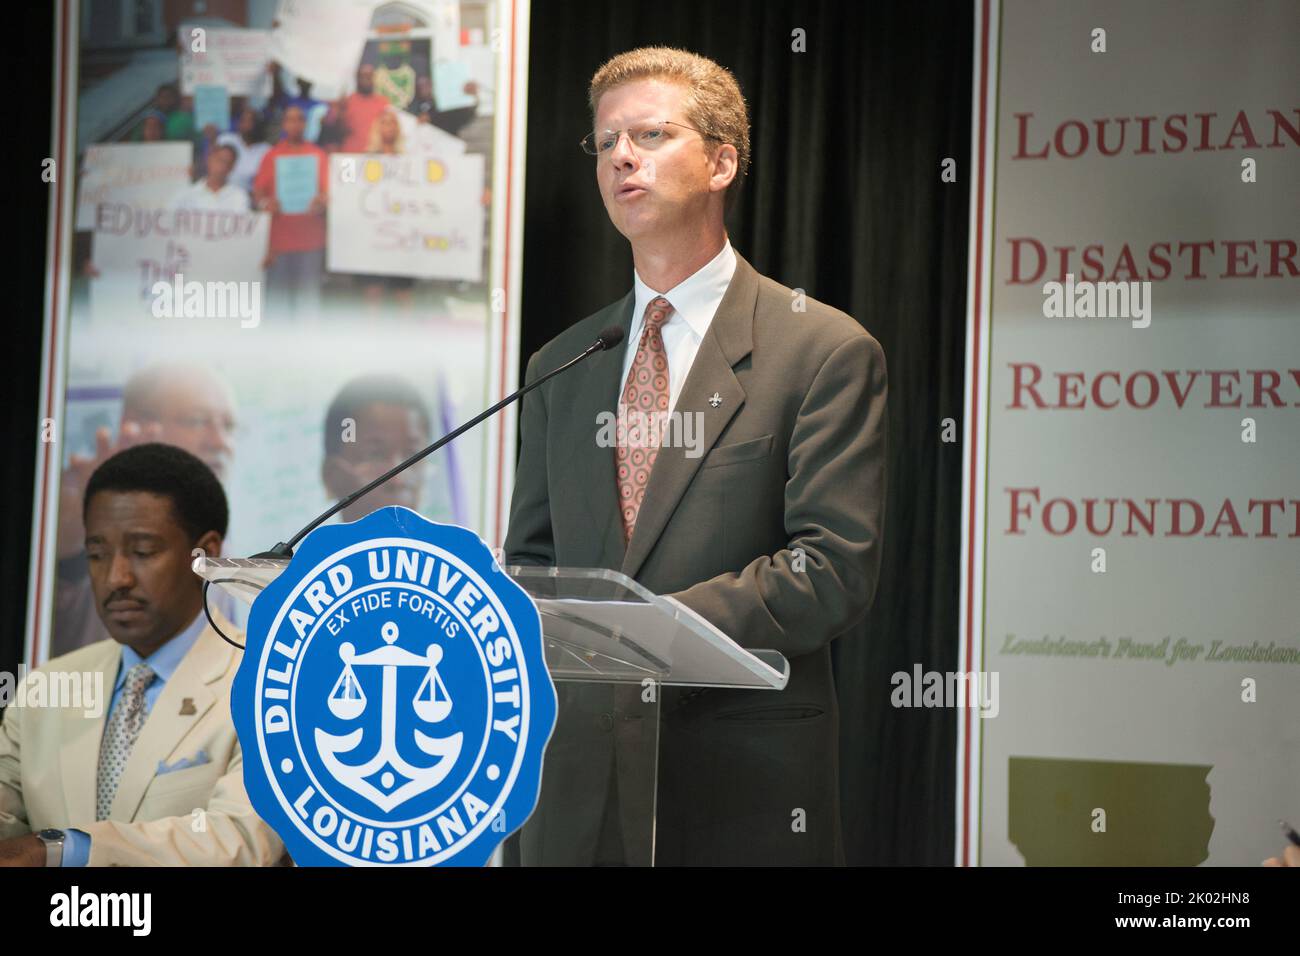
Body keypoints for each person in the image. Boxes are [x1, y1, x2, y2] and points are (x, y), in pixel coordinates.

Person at [502, 47, 888, 865]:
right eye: (605, 142)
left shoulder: (821, 349)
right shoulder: (560, 365)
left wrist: (650, 628)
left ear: (722, 161)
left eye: (649, 134)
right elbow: (535, 562)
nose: (621, 158)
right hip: (574, 790)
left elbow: (832, 570)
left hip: (736, 785)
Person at [0, 444, 285, 866]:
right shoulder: (48, 685)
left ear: (204, 554)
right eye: (96, 554)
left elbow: (241, 839)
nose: (116, 577)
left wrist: (66, 851)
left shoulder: (269, 684)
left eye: (143, 552)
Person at [52, 364, 239, 658]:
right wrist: (67, 547)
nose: (221, 442)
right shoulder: (75, 518)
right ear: (135, 424)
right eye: (197, 421)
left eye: (228, 426)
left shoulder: (218, 544)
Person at [320, 374, 433, 523]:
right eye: (376, 455)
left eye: (412, 455)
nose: (397, 480)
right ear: (332, 477)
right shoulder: (310, 546)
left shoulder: (449, 546)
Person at [253, 105, 329, 319]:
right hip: (279, 242)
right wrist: (265, 203)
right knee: (278, 307)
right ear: (284, 124)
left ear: (305, 124)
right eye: (290, 119)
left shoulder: (318, 155)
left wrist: (322, 201)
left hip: (311, 241)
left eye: (299, 119)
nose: (295, 124)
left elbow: (327, 194)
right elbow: (258, 194)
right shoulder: (271, 156)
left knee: (308, 304)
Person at [325, 64, 391, 153]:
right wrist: (339, 113)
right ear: (357, 78)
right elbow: (337, 132)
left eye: (369, 76)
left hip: (375, 156)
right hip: (350, 155)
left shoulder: (383, 103)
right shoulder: (347, 102)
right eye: (363, 76)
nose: (366, 79)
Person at [169, 143, 249, 211]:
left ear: (232, 167)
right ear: (209, 160)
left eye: (228, 163)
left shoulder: (239, 196)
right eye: (219, 160)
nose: (222, 166)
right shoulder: (186, 194)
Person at [217, 106, 272, 195]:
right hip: (223, 193)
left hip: (250, 196)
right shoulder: (226, 140)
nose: (246, 125)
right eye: (243, 121)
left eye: (251, 121)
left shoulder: (267, 150)